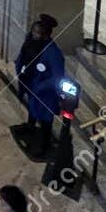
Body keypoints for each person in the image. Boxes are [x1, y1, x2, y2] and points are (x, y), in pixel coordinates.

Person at [15, 14, 65, 147]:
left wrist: (40, 87)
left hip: (44, 91)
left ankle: (45, 143)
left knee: (45, 117)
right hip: (30, 82)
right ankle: (30, 126)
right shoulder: (30, 40)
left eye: (38, 33)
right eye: (33, 31)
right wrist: (19, 70)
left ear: (46, 35)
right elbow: (23, 55)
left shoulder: (53, 53)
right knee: (32, 108)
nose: (34, 35)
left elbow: (58, 77)